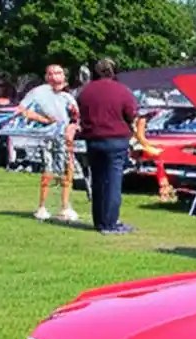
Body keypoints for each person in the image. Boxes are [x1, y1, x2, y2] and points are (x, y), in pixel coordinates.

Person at [77, 58, 139, 235]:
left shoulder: (85, 92)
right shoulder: (122, 91)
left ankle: (99, 221)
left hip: (93, 140)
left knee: (98, 181)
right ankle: (111, 223)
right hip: (116, 139)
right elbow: (131, 114)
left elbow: (77, 112)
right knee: (113, 181)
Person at [16, 65, 81, 222]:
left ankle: (64, 207)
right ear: (46, 77)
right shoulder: (38, 92)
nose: (55, 77)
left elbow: (75, 117)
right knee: (48, 170)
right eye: (51, 74)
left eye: (58, 73)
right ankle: (42, 206)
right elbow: (22, 109)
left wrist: (74, 124)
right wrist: (43, 119)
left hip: (65, 137)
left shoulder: (68, 95)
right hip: (47, 137)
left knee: (68, 170)